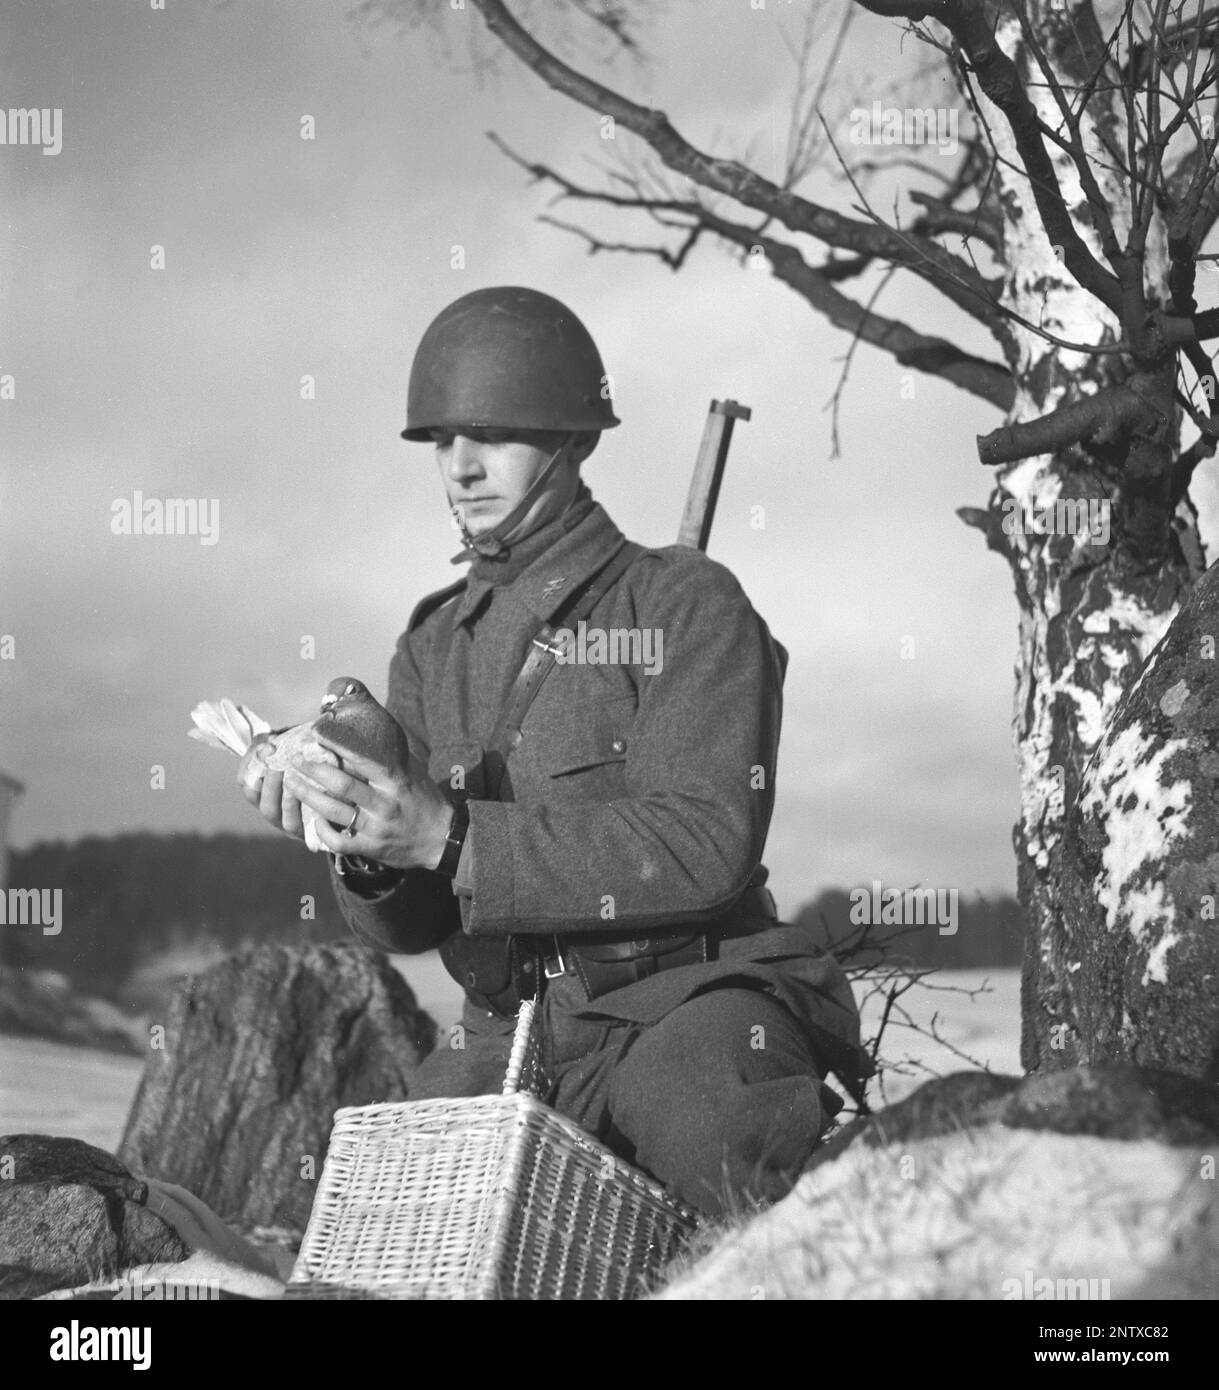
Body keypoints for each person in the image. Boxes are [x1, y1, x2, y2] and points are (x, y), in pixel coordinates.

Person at [239, 285, 870, 1218]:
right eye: (441, 441)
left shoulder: (683, 604)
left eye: (492, 435)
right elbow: (410, 927)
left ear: (570, 441)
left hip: (688, 1000)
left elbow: (705, 838)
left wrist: (451, 839)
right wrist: (361, 841)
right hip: (505, 1034)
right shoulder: (430, 645)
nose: (459, 467)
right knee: (390, 1219)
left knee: (712, 1140)